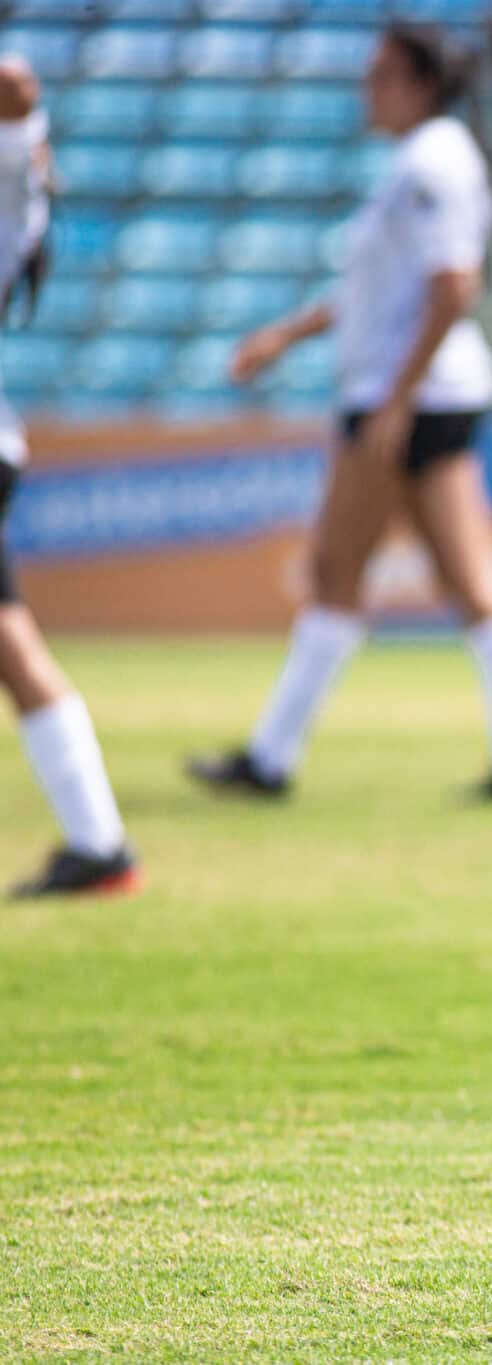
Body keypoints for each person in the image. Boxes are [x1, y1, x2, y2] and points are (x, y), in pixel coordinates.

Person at [187, 22, 492, 800]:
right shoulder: (429, 159)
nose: (367, 88)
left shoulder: (429, 161)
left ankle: (271, 757)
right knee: (466, 577)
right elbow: (376, 293)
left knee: (337, 571)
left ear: (420, 83)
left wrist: (395, 399)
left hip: (407, 397)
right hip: (429, 393)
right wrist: (285, 335)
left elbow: (454, 286)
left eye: (382, 74)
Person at [0, 56, 141, 898]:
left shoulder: (11, 181)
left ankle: (101, 842)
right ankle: (98, 842)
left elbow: (16, 81)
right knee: (13, 641)